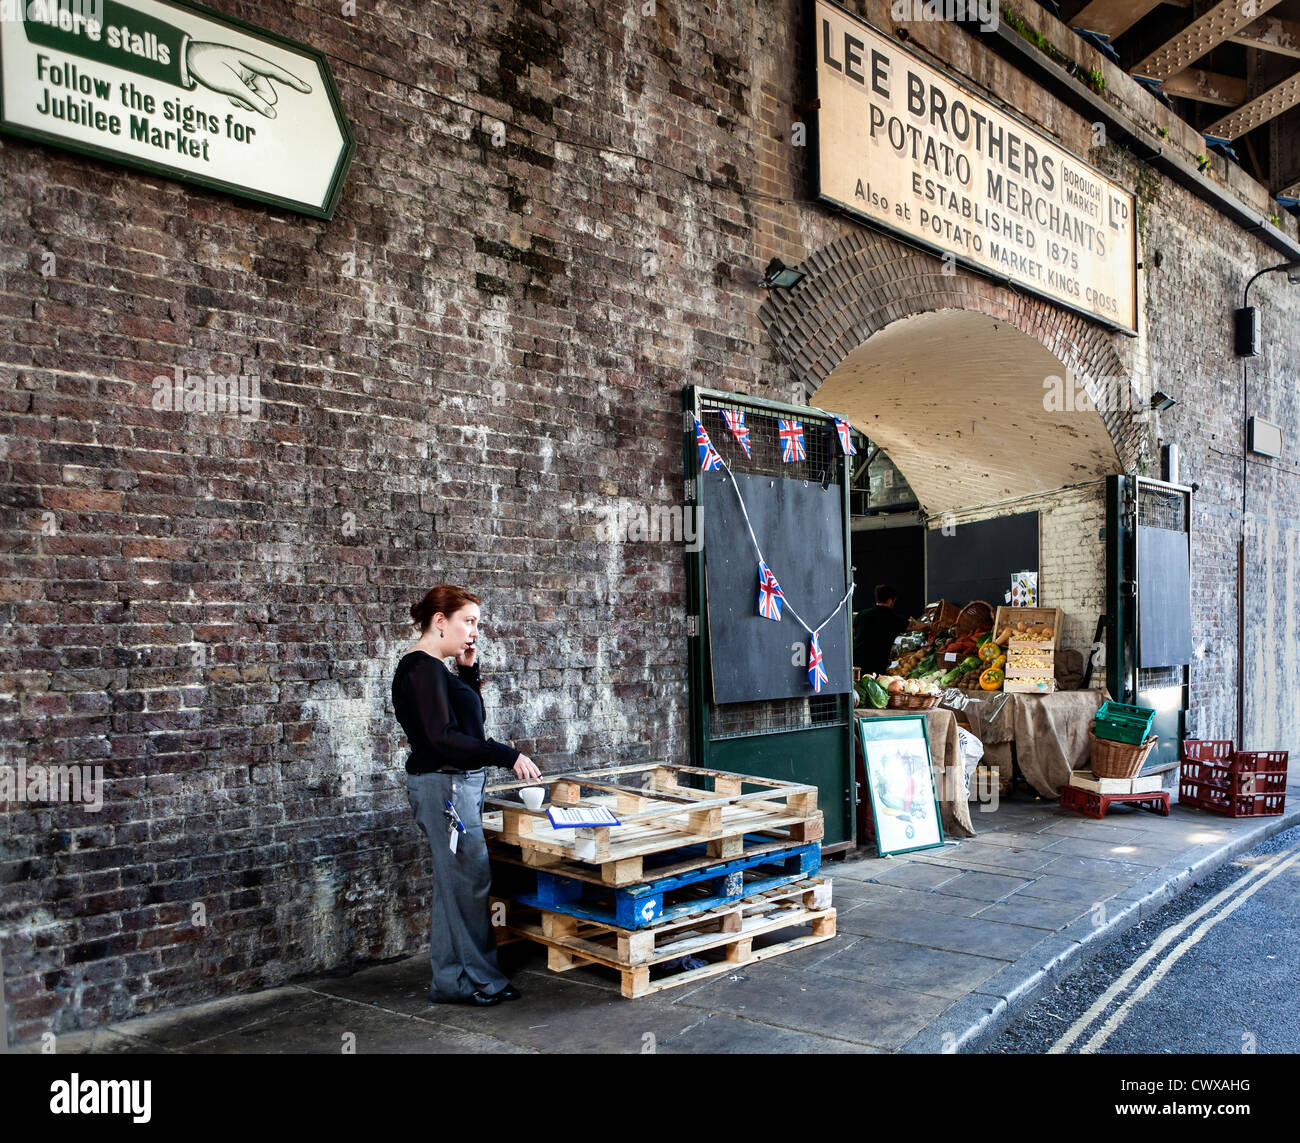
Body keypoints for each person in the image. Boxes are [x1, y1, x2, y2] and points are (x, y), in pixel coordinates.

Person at [393, 584, 542, 1007]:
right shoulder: (420, 669)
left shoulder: (437, 668)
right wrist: (507, 754)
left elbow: (467, 729)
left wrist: (469, 674)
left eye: (477, 623)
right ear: (440, 621)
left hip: (455, 785)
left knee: (454, 886)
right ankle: (482, 980)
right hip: (444, 787)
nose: (474, 631)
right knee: (471, 882)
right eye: (468, 621)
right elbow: (443, 740)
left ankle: (451, 982)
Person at [853, 583, 909, 675]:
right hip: (877, 664)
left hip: (858, 662)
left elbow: (851, 634)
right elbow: (913, 626)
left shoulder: (862, 614)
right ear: (890, 600)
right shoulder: (893, 618)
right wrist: (930, 626)